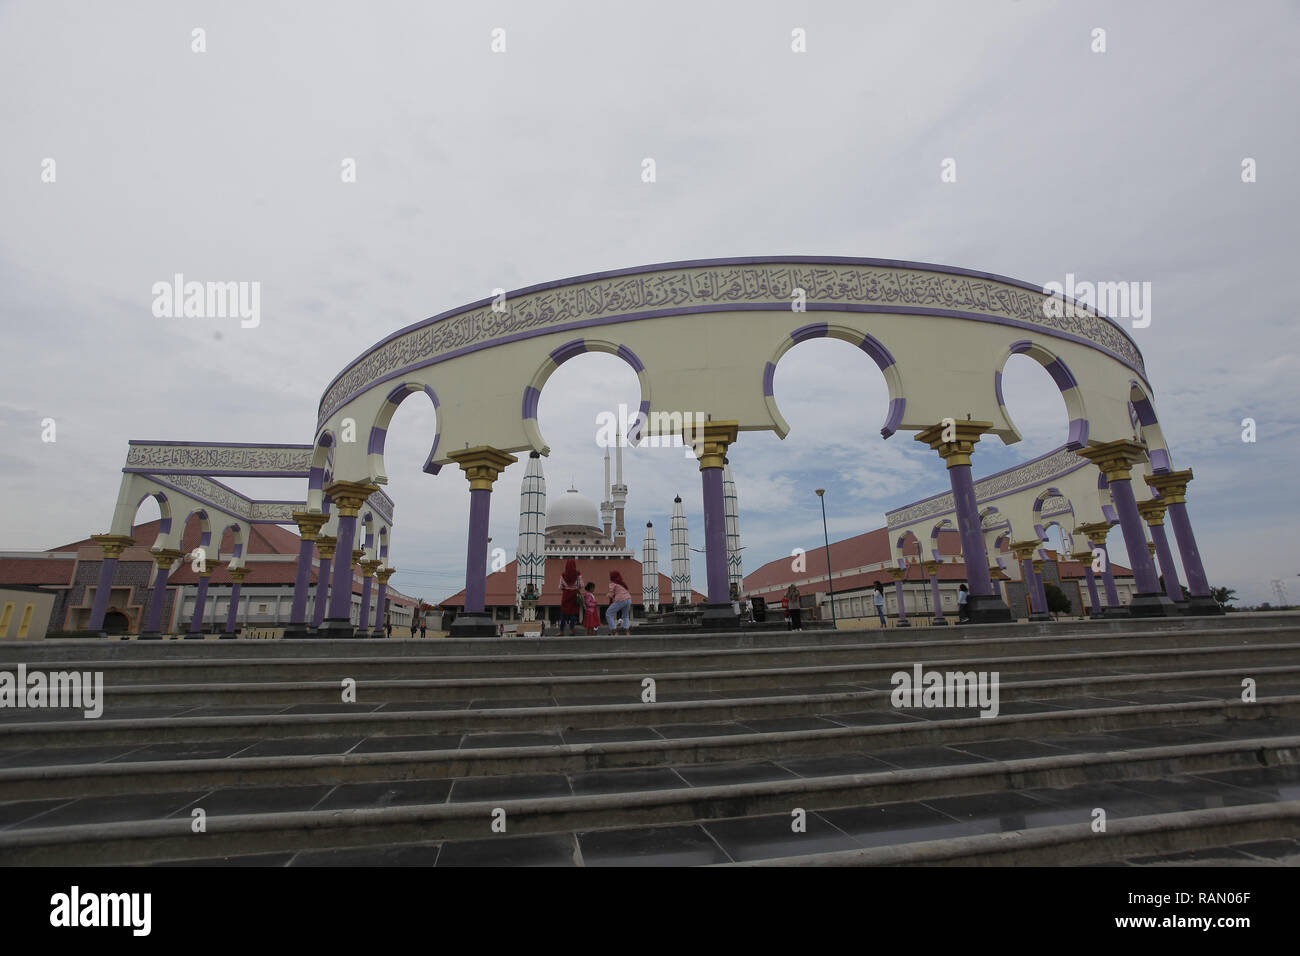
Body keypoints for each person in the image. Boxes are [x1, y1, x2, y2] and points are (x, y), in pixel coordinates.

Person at [559, 558, 583, 635]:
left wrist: (567, 587)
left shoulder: (563, 575)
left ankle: (561, 631)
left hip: (566, 595)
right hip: (574, 595)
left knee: (564, 614)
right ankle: (572, 630)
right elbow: (581, 585)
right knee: (573, 613)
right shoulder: (578, 574)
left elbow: (560, 587)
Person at [607, 570, 633, 635]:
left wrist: (607, 595)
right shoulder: (622, 583)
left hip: (621, 599)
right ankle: (627, 632)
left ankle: (614, 631)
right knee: (625, 615)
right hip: (629, 599)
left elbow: (611, 594)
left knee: (609, 614)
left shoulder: (613, 584)